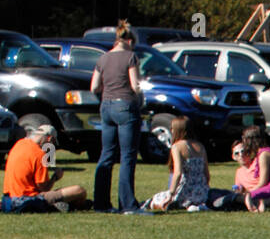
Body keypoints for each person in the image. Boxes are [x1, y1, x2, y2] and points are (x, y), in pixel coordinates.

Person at [90, 20, 143, 213]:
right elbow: (135, 84)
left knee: (106, 155)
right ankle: (127, 204)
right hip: (126, 106)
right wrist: (141, 99)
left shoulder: (102, 59)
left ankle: (101, 203)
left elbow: (94, 87)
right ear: (129, 40)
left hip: (106, 106)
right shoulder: (131, 56)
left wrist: (105, 97)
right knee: (127, 156)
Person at [2, 124, 86, 210]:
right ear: (49, 139)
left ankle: (60, 206)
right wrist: (55, 177)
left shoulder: (19, 144)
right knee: (79, 190)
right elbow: (43, 188)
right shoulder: (39, 154)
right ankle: (73, 206)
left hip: (8, 200)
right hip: (27, 200)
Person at [146, 116, 211, 211]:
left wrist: (171, 193)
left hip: (185, 190)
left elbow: (178, 173)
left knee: (156, 199)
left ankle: (174, 204)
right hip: (201, 191)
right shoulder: (200, 146)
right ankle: (194, 206)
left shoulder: (177, 147)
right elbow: (206, 173)